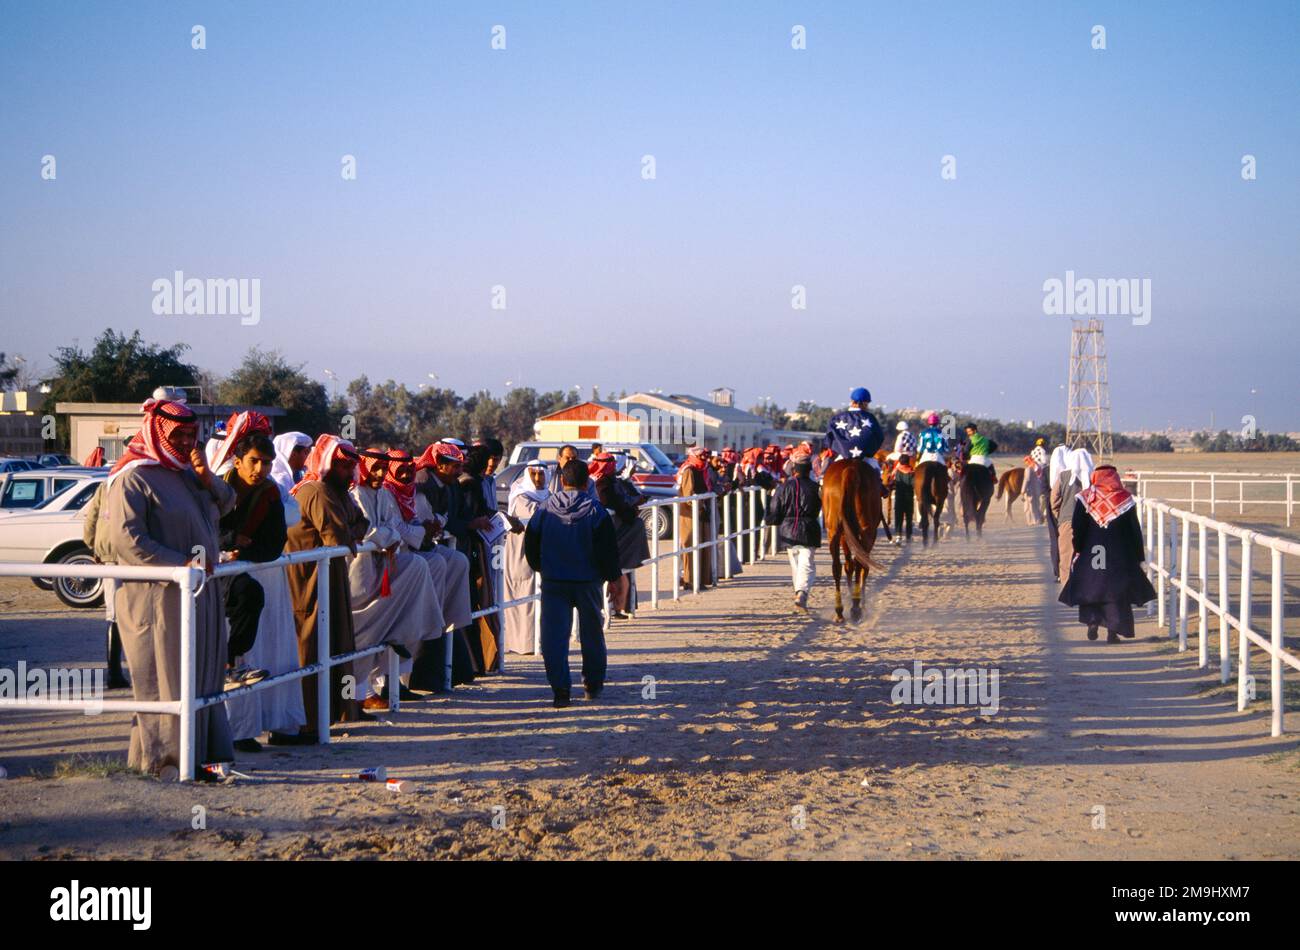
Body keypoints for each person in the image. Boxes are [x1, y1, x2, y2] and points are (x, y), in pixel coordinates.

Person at [97, 397, 236, 778]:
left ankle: (198, 756)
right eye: (180, 434)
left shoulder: (184, 473)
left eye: (193, 435)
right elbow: (129, 542)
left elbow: (227, 503)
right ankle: (162, 763)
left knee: (202, 674)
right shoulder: (132, 477)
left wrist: (207, 476)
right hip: (157, 599)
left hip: (198, 594)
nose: (188, 442)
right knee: (163, 678)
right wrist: (182, 565)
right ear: (157, 431)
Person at [218, 433, 308, 752]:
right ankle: (240, 730)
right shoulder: (219, 489)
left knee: (277, 649)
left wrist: (244, 548)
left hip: (269, 576)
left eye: (266, 462)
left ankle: (281, 723)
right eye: (254, 461)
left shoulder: (273, 493)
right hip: (230, 580)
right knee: (244, 655)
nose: (260, 468)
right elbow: (209, 531)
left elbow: (274, 542)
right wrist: (230, 542)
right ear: (237, 461)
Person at [285, 435, 367, 736]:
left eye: (350, 467)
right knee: (310, 647)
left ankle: (333, 714)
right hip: (308, 584)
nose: (348, 473)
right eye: (342, 466)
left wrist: (351, 531)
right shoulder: (317, 490)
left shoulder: (338, 492)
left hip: (331, 579)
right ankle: (306, 723)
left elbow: (362, 524)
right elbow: (337, 536)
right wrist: (350, 532)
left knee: (336, 643)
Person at [349, 449, 442, 709]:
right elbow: (369, 530)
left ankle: (403, 651)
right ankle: (359, 692)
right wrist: (390, 536)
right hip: (359, 574)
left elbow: (393, 527)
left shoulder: (383, 494)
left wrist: (392, 536)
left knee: (418, 566)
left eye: (383, 468)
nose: (380, 473)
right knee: (363, 631)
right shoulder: (356, 494)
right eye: (375, 468)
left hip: (383, 567)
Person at [524, 459, 621, 707]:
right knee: (592, 635)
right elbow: (608, 549)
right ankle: (592, 685)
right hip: (588, 582)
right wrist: (612, 578)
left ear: (563, 481)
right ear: (587, 482)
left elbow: (531, 543)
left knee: (554, 637)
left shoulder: (544, 509)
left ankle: (560, 690)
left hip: (554, 582)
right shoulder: (596, 510)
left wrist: (542, 568)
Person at [410, 440, 484, 689]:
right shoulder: (421, 482)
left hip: (434, 551)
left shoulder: (445, 484)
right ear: (439, 465)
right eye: (453, 466)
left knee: (457, 561)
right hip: (413, 556)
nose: (458, 471)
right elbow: (425, 521)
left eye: (460, 466)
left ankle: (451, 621)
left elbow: (442, 520)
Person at [1059, 465, 1156, 642]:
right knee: (1116, 591)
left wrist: (1078, 548)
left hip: (1091, 552)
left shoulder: (1085, 498)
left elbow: (1078, 527)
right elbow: (1133, 530)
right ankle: (1112, 632)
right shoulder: (1124, 499)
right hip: (1119, 554)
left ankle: (1092, 622)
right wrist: (1138, 556)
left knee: (1092, 586)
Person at [590, 450, 650, 619]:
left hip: (615, 529)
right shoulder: (602, 483)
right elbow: (613, 504)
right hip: (607, 531)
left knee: (620, 573)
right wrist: (630, 510)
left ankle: (616, 609)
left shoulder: (612, 482)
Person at [81, 481, 129, 689]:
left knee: (114, 612)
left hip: (109, 552)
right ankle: (116, 672)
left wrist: (94, 545)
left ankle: (115, 671)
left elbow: (91, 517)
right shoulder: (142, 478)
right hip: (131, 554)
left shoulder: (106, 484)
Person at [763, 450, 822, 608]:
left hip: (788, 529)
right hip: (809, 528)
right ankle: (801, 592)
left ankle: (799, 592)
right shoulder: (817, 488)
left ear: (794, 468)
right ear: (809, 469)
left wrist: (770, 520)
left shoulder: (783, 487)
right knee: (806, 564)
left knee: (796, 564)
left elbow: (775, 509)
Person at [503, 462, 549, 653]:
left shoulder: (548, 495)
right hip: (520, 554)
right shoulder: (522, 497)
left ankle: (537, 641)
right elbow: (538, 517)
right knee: (522, 597)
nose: (538, 479)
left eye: (541, 475)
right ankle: (521, 645)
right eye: (534, 475)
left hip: (541, 553)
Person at [1049, 446, 1094, 583]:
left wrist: (1059, 516)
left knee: (1066, 556)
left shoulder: (1063, 476)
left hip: (1067, 521)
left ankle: (1067, 588)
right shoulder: (1093, 476)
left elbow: (1054, 499)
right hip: (1088, 523)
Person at [824, 387, 885, 482]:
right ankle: (880, 488)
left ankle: (822, 485)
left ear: (852, 401)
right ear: (865, 403)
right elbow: (879, 438)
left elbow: (829, 438)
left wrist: (839, 449)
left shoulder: (837, 418)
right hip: (865, 458)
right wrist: (869, 452)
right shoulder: (870, 418)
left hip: (843, 456)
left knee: (828, 475)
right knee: (877, 475)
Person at [676, 446, 715, 588]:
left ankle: (701, 579)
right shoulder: (688, 470)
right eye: (702, 456)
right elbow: (688, 496)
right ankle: (689, 580)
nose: (705, 458)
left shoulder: (702, 470)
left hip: (701, 513)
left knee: (703, 546)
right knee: (690, 546)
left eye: (706, 456)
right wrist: (700, 504)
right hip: (689, 515)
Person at [271, 431, 312, 497]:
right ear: (293, 454)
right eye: (306, 452)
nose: (308, 456)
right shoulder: (281, 480)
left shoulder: (291, 476)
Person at [891, 453, 915, 544]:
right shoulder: (912, 472)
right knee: (909, 517)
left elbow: (890, 482)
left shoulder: (896, 471)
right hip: (909, 498)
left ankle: (898, 536)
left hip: (899, 497)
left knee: (898, 516)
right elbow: (914, 485)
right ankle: (908, 537)